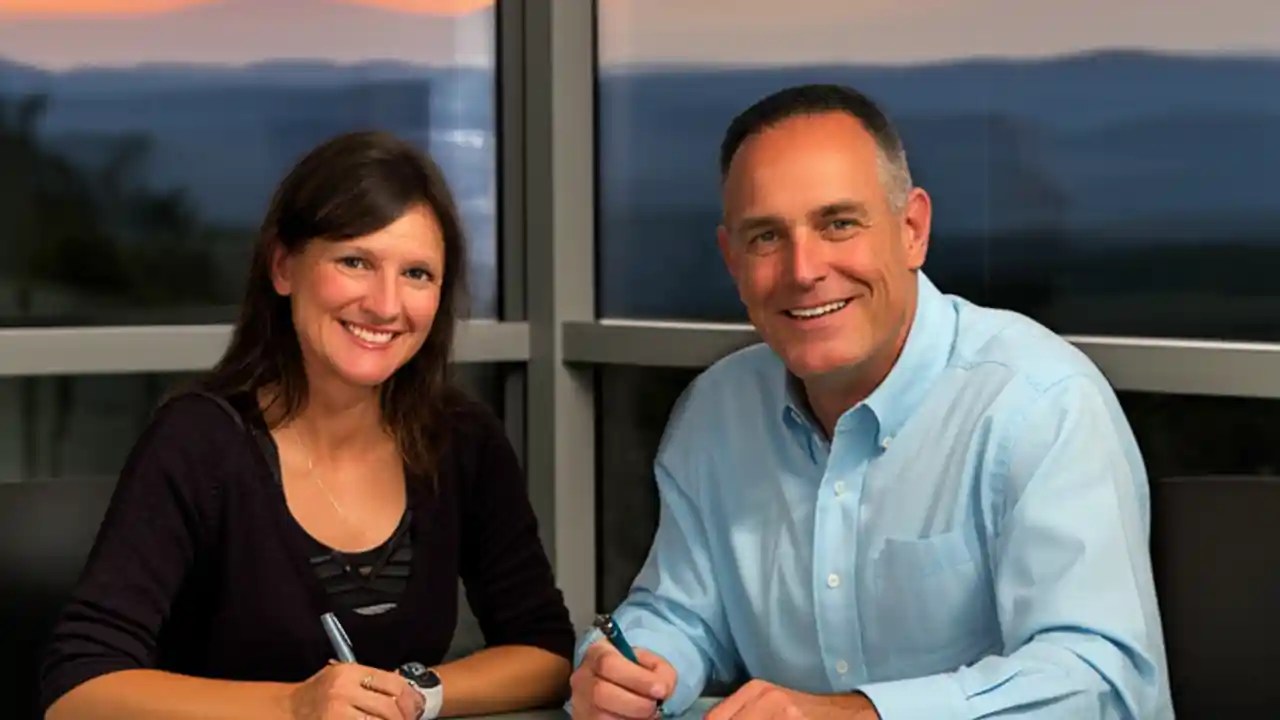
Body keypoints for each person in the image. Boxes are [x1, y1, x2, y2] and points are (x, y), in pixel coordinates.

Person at [570, 84, 1173, 719]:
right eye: (766, 237)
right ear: (733, 261)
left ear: (912, 230)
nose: (803, 270)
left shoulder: (1040, 404)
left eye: (838, 224)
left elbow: (1100, 685)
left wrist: (855, 714)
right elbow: (680, 616)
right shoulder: (716, 412)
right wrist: (629, 672)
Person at [41, 131, 575, 720]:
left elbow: (544, 651)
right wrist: (295, 706)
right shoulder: (198, 442)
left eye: (417, 274)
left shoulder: (460, 439)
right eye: (355, 262)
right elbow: (78, 693)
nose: (385, 304)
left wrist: (415, 694)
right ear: (283, 267)